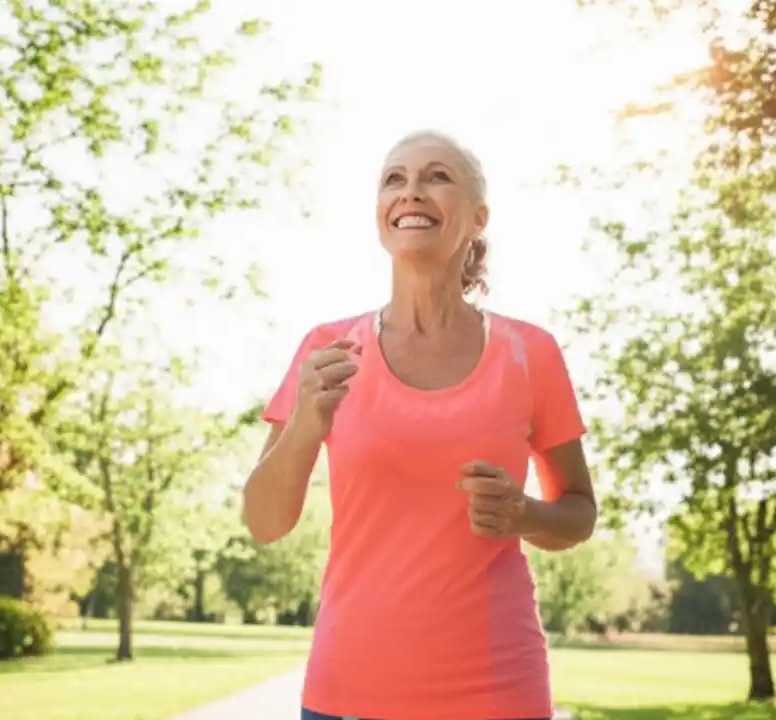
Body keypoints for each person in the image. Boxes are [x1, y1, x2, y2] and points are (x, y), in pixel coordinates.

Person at [241, 129, 597, 720]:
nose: (411, 192)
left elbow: (579, 511)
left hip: (497, 693)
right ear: (380, 213)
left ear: (478, 217)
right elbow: (264, 522)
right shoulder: (328, 349)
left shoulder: (529, 352)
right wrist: (306, 423)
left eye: (437, 176)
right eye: (394, 180)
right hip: (350, 692)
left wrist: (526, 514)